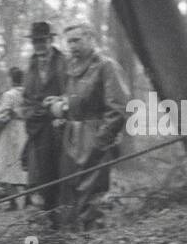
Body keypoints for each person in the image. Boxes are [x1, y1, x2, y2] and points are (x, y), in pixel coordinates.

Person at [50, 23, 130, 230]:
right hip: (72, 135)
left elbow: (119, 108)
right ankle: (75, 240)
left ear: (91, 39)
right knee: (71, 189)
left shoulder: (106, 66)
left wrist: (100, 141)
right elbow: (75, 100)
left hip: (94, 135)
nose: (72, 46)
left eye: (77, 40)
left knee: (93, 192)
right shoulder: (73, 67)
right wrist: (61, 105)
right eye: (69, 41)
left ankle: (94, 241)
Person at [22, 21, 67, 221]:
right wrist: (35, 111)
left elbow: (69, 91)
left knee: (63, 172)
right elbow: (26, 99)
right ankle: (50, 220)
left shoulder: (62, 62)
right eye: (35, 41)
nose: (39, 45)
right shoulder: (31, 66)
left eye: (42, 40)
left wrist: (59, 108)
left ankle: (64, 218)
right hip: (38, 129)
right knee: (43, 174)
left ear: (50, 40)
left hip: (61, 126)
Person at [0, 67, 28, 209]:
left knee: (10, 163)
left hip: (12, 129)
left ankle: (15, 200)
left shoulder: (9, 94)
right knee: (21, 163)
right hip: (25, 128)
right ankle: (23, 198)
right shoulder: (26, 92)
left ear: (11, 79)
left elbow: (1, 113)